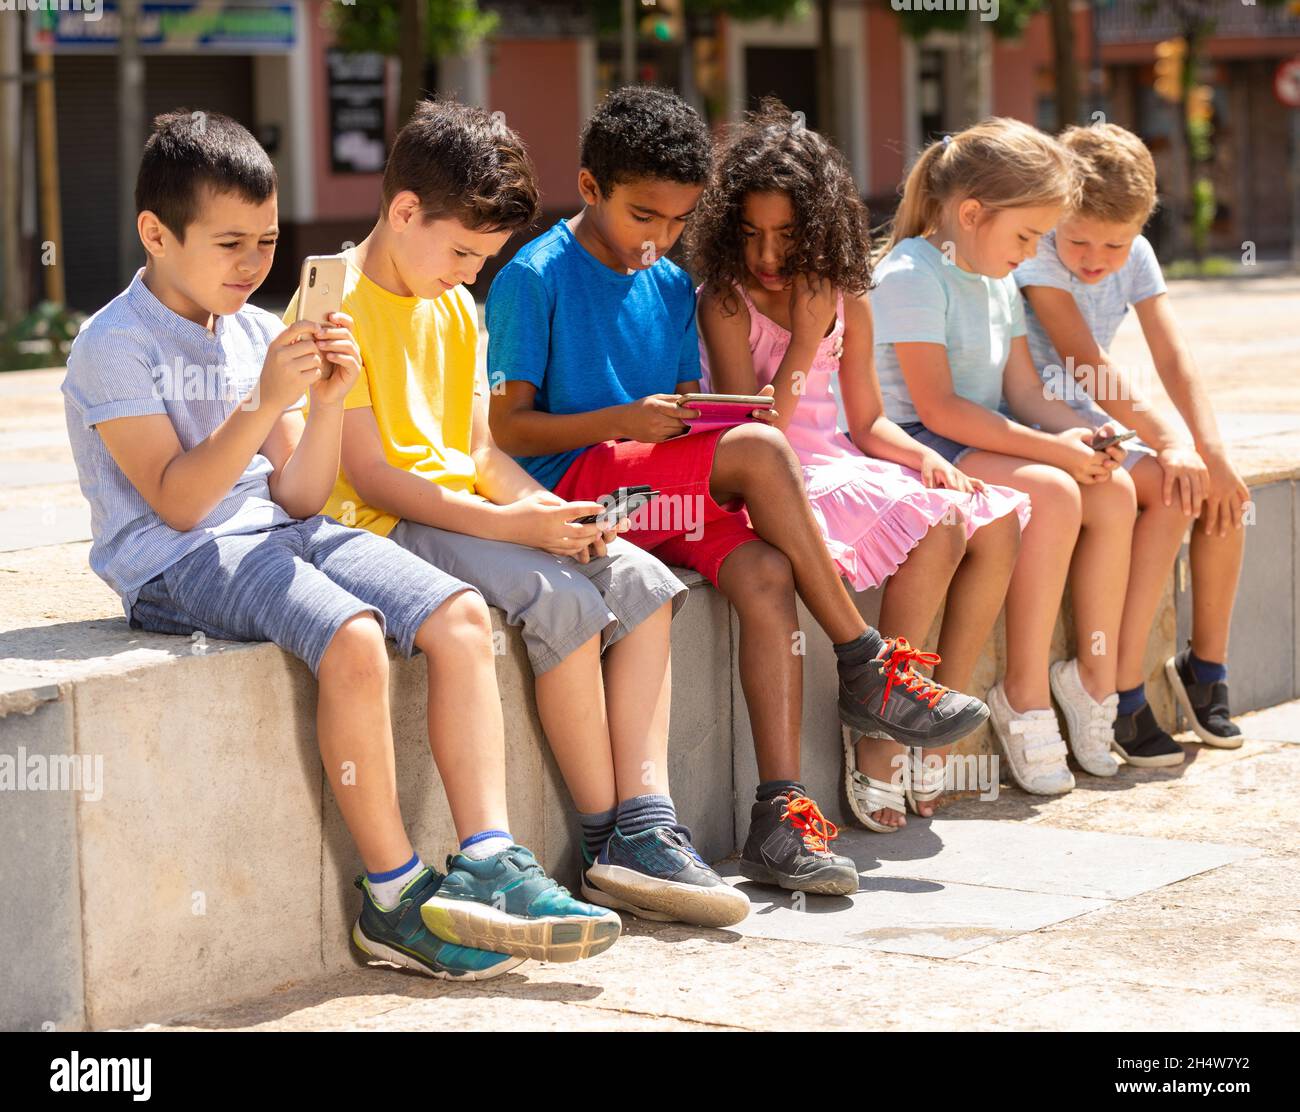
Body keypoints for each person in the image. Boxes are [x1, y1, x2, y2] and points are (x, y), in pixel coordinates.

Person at [61, 109, 619, 982]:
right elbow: (176, 504)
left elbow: (300, 495)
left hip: (280, 528)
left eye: (268, 242)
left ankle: (489, 859)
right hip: (176, 562)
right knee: (356, 635)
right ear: (155, 234)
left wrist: (323, 403)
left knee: (460, 614)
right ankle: (393, 899)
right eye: (231, 243)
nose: (254, 266)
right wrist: (260, 402)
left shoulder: (251, 332)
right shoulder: (112, 343)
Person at [486, 86, 991, 897]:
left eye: (680, 220)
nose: (661, 237)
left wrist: (703, 416)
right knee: (758, 445)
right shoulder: (533, 276)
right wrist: (628, 417)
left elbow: (691, 417)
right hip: (580, 495)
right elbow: (507, 429)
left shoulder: (665, 283)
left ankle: (780, 816)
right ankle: (866, 660)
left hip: (654, 493)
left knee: (765, 570)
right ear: (588, 188)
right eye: (643, 215)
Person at [297, 98, 747, 928]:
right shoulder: (337, 306)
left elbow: (480, 456)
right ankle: (604, 836)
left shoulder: (458, 306)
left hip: (469, 509)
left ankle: (648, 820)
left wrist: (555, 509)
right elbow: (376, 477)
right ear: (403, 212)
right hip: (388, 526)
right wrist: (518, 529)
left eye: (484, 256)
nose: (473, 273)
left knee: (642, 578)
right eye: (464, 252)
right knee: (565, 598)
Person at [693, 99, 1029, 830]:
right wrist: (805, 344)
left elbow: (868, 419)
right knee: (936, 527)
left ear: (822, 227)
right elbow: (755, 433)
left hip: (842, 459)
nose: (767, 256)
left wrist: (925, 461)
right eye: (750, 234)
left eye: (787, 235)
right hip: (776, 473)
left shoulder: (848, 294)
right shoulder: (727, 300)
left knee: (989, 517)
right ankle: (879, 736)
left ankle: (930, 715)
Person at [872, 118, 1137, 795]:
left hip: (975, 438)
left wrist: (1081, 432)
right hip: (915, 445)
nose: (1032, 251)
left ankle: (1087, 680)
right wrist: (1052, 452)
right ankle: (1022, 691)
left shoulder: (995, 277)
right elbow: (937, 408)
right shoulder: (910, 273)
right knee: (1054, 491)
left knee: (1113, 490)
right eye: (1025, 235)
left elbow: (1023, 389)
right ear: (970, 213)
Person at [1016, 122, 1246, 762]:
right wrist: (1169, 439)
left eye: (1115, 244)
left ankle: (1205, 667)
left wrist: (1208, 446)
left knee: (1214, 487)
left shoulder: (1136, 255)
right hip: (1034, 418)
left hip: (1093, 419)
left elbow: (1173, 355)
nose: (1094, 258)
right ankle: (1122, 689)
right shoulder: (1037, 252)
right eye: (1080, 239)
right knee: (1174, 483)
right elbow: (1082, 357)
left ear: (1142, 226)